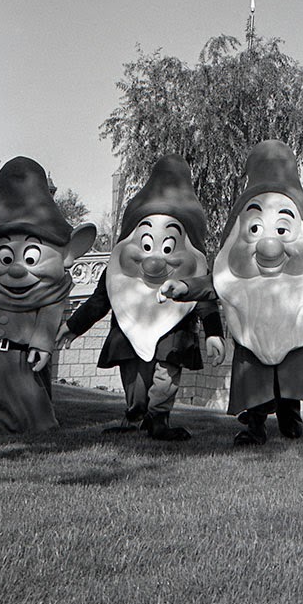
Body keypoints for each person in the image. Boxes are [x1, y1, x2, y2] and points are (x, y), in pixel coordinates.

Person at [161, 140, 303, 445]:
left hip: (293, 324)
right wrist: (182, 287)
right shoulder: (238, 274)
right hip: (254, 326)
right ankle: (256, 425)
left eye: (282, 230)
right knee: (257, 378)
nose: (268, 245)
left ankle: (290, 416)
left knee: (291, 373)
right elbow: (213, 284)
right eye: (256, 229)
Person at [58, 155, 224, 441]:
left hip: (174, 329)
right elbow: (99, 300)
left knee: (165, 375)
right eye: (146, 244)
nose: (154, 260)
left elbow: (204, 298)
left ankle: (159, 417)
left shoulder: (194, 271)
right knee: (134, 375)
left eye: (169, 246)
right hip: (128, 325)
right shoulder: (117, 274)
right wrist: (73, 326)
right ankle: (135, 415)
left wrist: (213, 333)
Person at [0, 157, 96, 433]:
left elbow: (49, 315)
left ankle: (8, 422)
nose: (17, 270)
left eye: (29, 258)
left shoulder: (51, 290)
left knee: (27, 406)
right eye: (6, 257)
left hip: (21, 360)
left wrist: (42, 345)